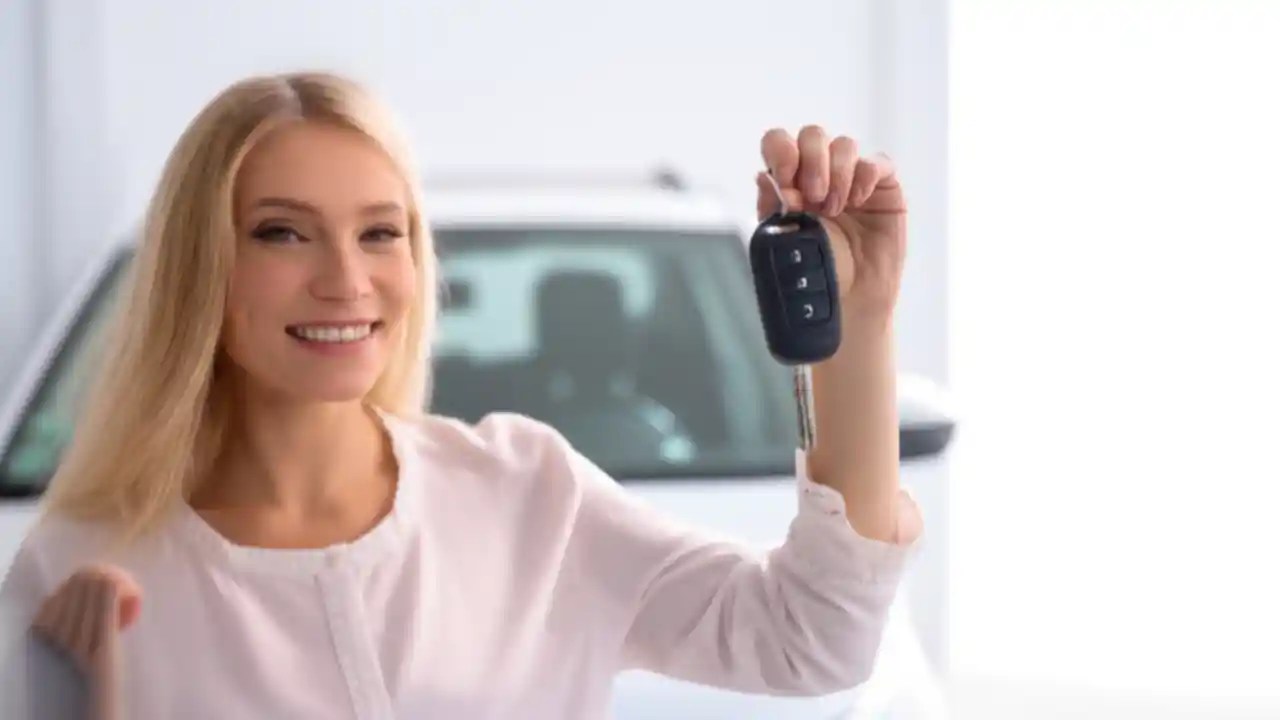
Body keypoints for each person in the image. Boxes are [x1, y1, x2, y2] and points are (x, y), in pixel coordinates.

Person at [0, 71, 923, 719]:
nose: (345, 281)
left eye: (379, 233)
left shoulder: (527, 491)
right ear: (199, 267)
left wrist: (862, 326)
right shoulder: (77, 568)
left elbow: (811, 643)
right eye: (282, 234)